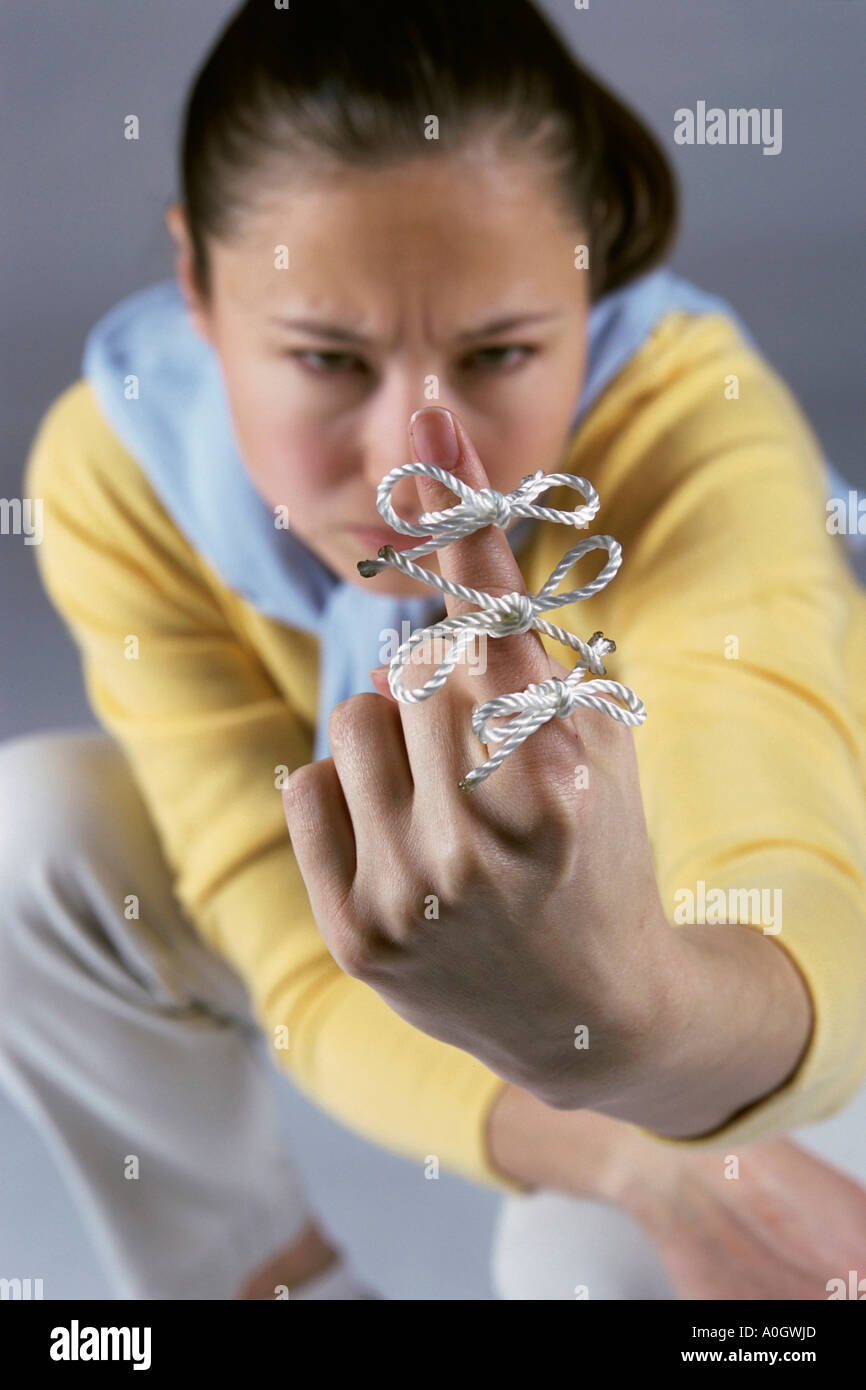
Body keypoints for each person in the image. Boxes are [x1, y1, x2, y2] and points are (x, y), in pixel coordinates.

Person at [3, 0, 866, 1300]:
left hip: (726, 999)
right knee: (32, 836)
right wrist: (634, 1155)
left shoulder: (695, 437)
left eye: (502, 350)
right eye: (326, 360)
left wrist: (630, 1035)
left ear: (588, 284)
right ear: (194, 280)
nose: (416, 472)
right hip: (551, 1012)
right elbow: (294, 948)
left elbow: (793, 900)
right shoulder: (116, 472)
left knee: (587, 1268)